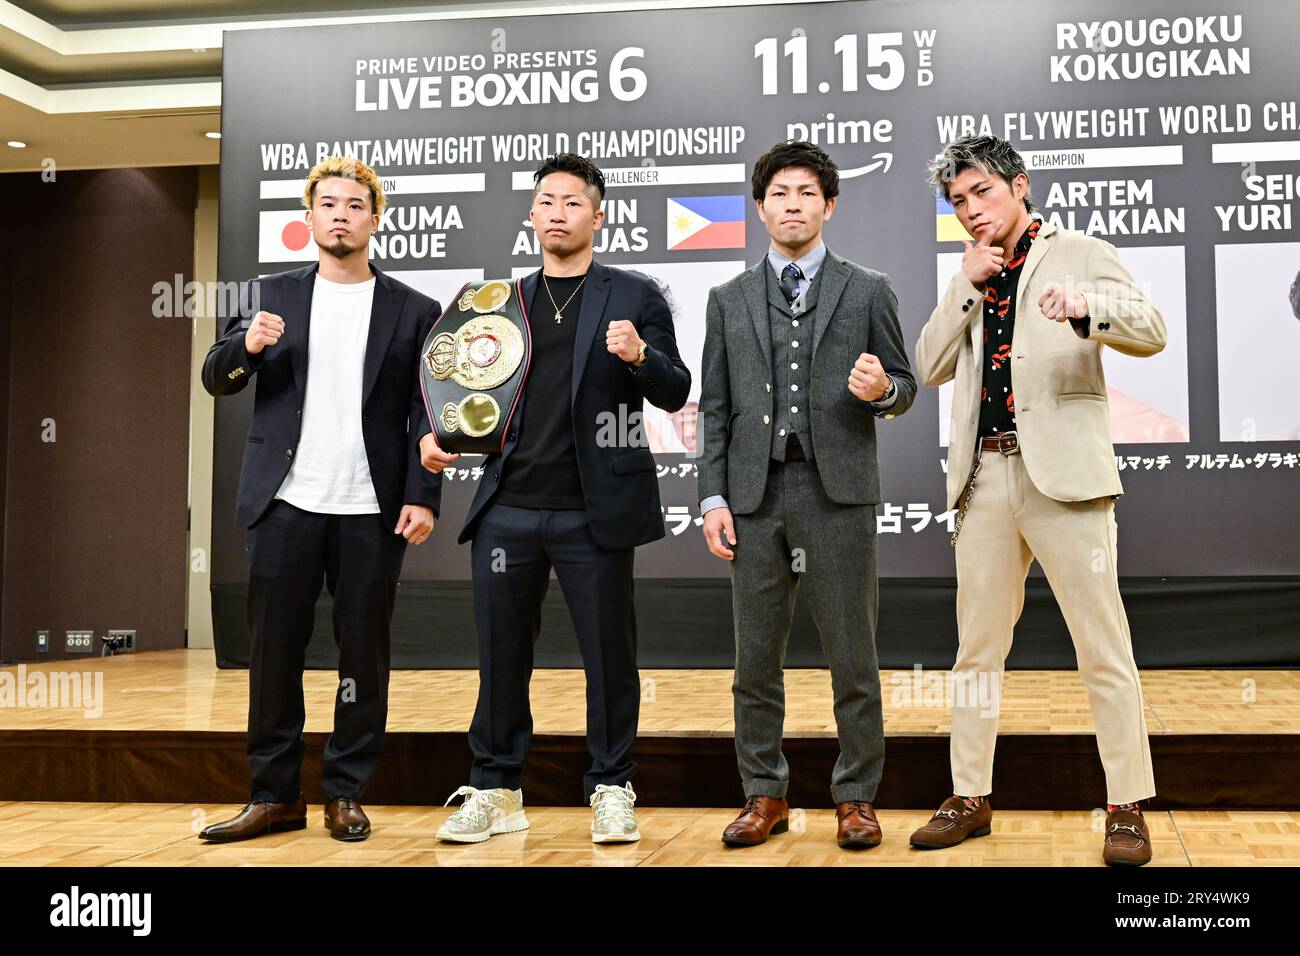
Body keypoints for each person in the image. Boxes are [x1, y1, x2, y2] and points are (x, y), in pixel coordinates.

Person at [421, 153, 690, 845]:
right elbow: (470, 401)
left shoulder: (633, 296)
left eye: (574, 202)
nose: (559, 213)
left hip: (593, 511)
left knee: (608, 655)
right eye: (547, 202)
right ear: (532, 216)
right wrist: (442, 441)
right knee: (501, 656)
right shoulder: (496, 305)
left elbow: (675, 389)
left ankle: (611, 786)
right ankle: (495, 788)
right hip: (508, 507)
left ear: (598, 217)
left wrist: (638, 356)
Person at [912, 134, 1164, 866]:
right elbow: (927, 363)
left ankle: (1126, 805)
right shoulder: (967, 269)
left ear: (1019, 185)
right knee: (976, 653)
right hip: (984, 481)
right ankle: (970, 795)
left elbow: (1152, 329)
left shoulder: (1081, 251)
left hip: (1067, 479)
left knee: (1103, 647)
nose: (970, 210)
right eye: (957, 202)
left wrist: (1087, 307)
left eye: (981, 193)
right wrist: (965, 282)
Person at [199, 156, 441, 843]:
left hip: (372, 508)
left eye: (355, 204)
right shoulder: (267, 293)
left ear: (375, 218)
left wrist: (423, 495)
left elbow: (426, 413)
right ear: (308, 219)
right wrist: (245, 343)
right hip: (285, 502)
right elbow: (218, 375)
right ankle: (272, 795)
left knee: (363, 658)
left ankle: (345, 791)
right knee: (273, 654)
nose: (341, 213)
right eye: (328, 203)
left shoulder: (415, 309)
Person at [697, 140, 915, 849]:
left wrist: (885, 392)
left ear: (830, 205)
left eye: (806, 193)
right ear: (760, 208)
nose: (793, 205)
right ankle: (764, 793)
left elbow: (905, 384)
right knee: (754, 658)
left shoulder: (867, 288)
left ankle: (856, 797)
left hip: (837, 495)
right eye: (779, 194)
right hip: (754, 497)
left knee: (853, 653)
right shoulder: (727, 300)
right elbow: (718, 410)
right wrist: (712, 497)